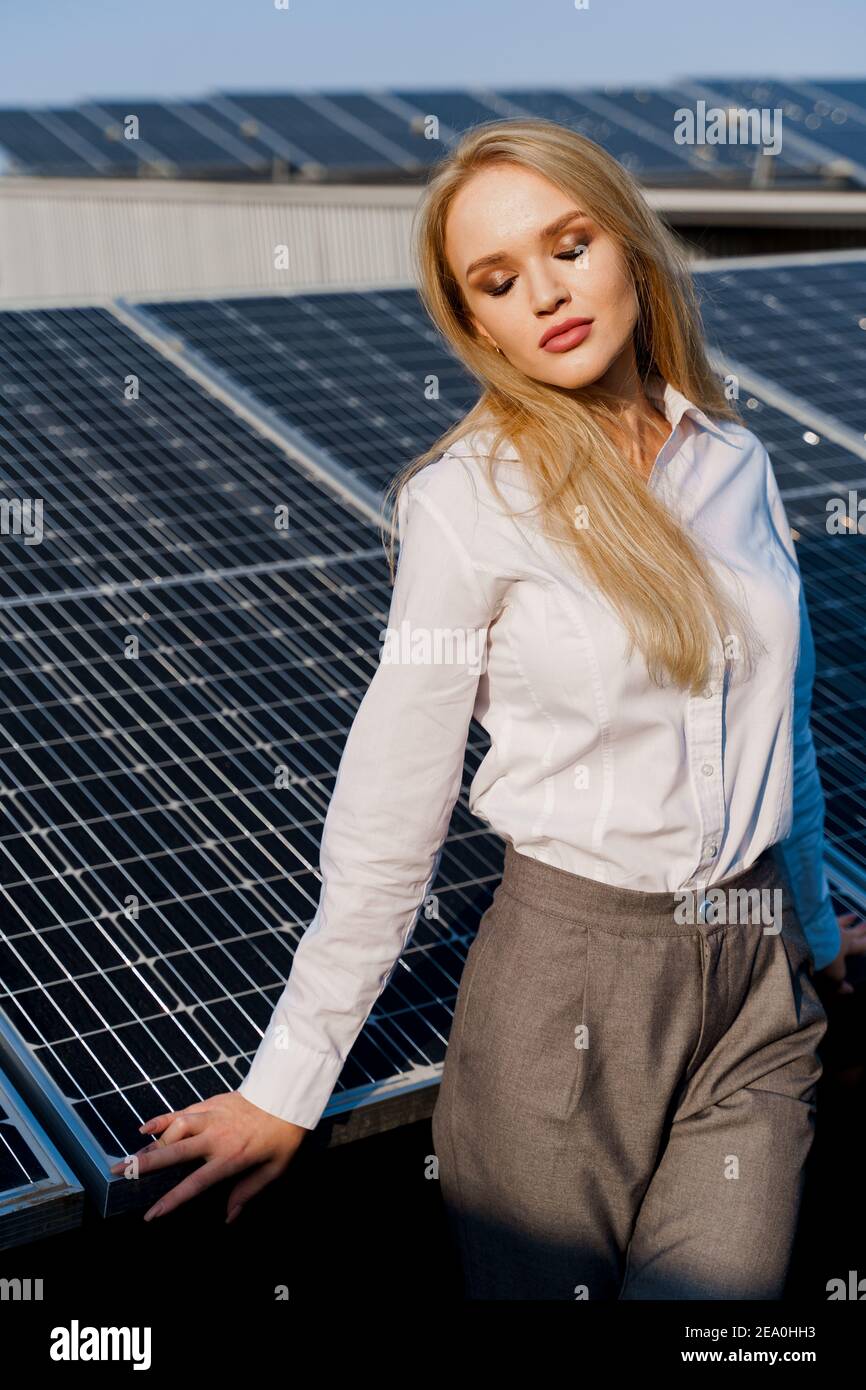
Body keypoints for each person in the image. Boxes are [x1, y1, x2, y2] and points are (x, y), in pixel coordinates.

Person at [111, 119, 866, 1297]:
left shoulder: (736, 462)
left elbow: (788, 732)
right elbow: (393, 795)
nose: (547, 295)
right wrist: (285, 1084)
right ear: (475, 325)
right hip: (568, 987)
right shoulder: (466, 504)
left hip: (756, 992)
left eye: (569, 246)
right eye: (498, 282)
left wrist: (815, 938)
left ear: (626, 244)